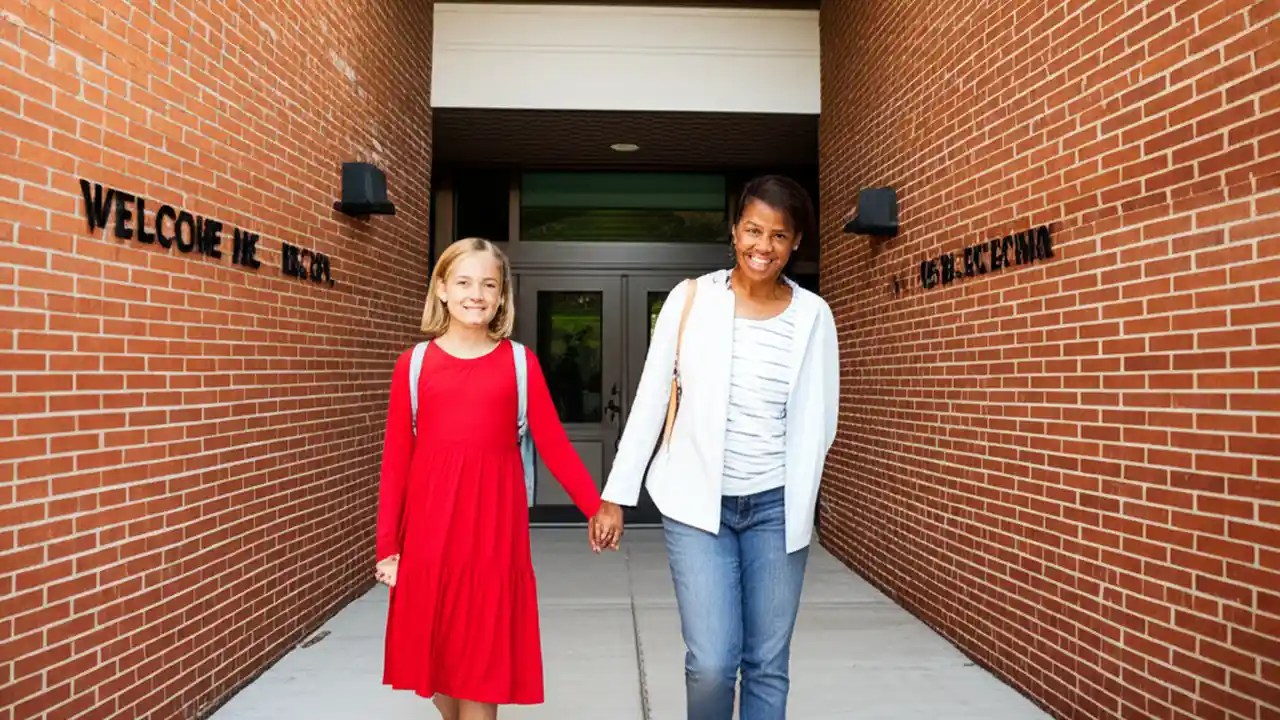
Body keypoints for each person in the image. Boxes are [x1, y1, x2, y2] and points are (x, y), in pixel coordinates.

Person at [592, 175, 839, 720]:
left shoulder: (813, 316)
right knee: (711, 661)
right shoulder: (692, 299)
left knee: (768, 661)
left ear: (795, 242)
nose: (763, 246)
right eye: (753, 229)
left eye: (779, 235)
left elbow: (823, 418)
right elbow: (652, 398)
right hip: (697, 506)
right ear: (734, 231)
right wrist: (616, 495)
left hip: (775, 506)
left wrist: (804, 493)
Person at [374, 237, 625, 720]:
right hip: (429, 539)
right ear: (442, 289)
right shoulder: (415, 365)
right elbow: (395, 463)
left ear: (502, 295)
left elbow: (553, 445)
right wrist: (389, 547)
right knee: (437, 672)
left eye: (489, 284)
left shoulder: (518, 363)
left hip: (491, 539)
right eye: (464, 282)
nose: (477, 294)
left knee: (479, 671)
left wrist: (596, 505)